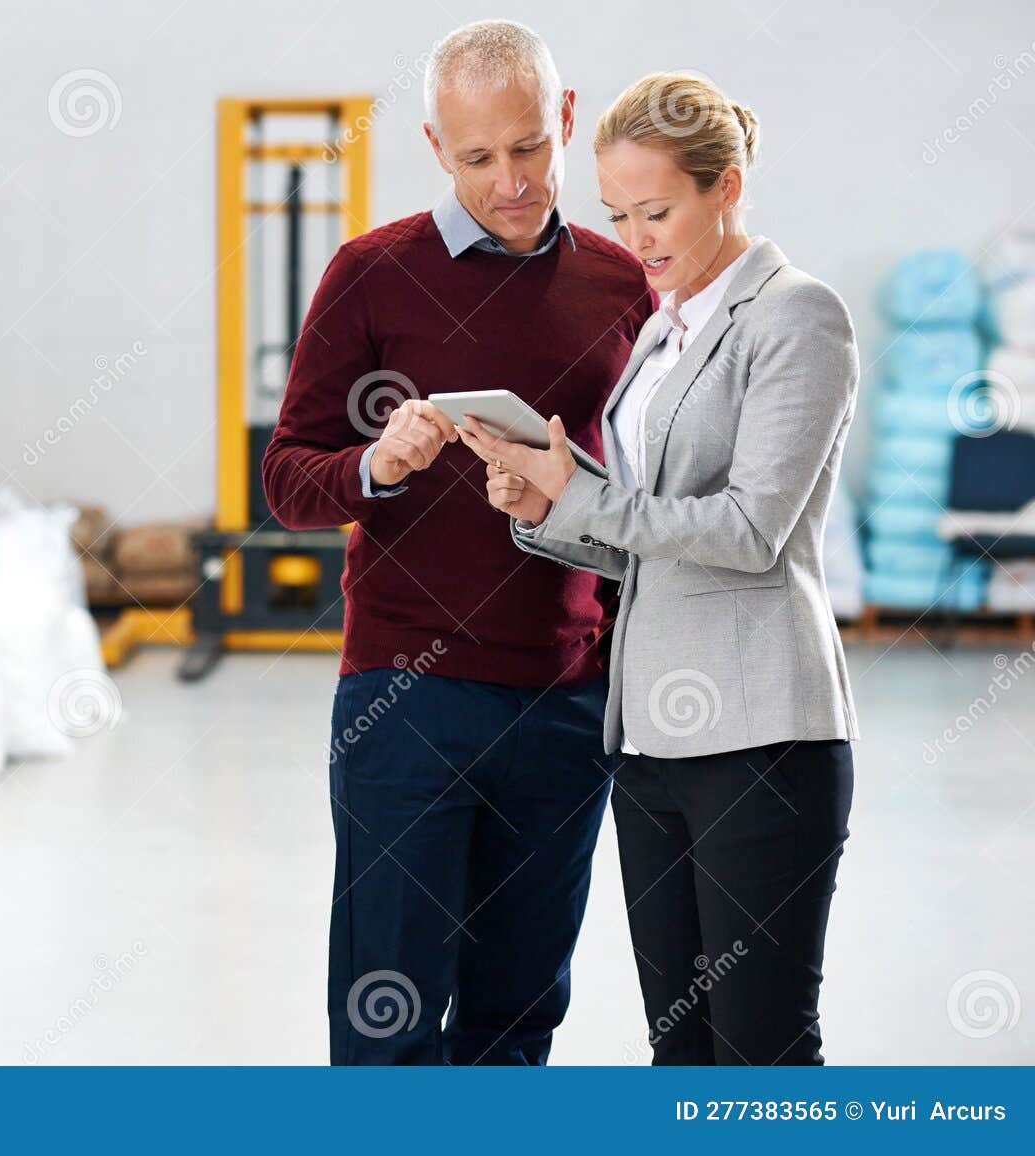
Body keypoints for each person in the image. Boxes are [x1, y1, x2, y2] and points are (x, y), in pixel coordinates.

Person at [261, 21, 655, 1064]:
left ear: (565, 118)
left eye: (529, 146)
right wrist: (375, 466)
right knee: (384, 1028)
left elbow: (644, 493)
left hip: (565, 704)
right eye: (478, 157)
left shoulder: (623, 285)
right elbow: (287, 477)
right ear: (436, 146)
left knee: (516, 1026)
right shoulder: (371, 273)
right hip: (406, 702)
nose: (510, 182)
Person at [457, 72, 860, 1065]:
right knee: (676, 1050)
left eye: (658, 210)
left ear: (727, 188)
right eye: (617, 214)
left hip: (761, 735)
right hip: (649, 739)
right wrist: (546, 508)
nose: (637, 238)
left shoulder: (796, 317)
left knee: (761, 1048)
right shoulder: (663, 328)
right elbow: (650, 539)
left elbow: (750, 529)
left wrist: (583, 494)